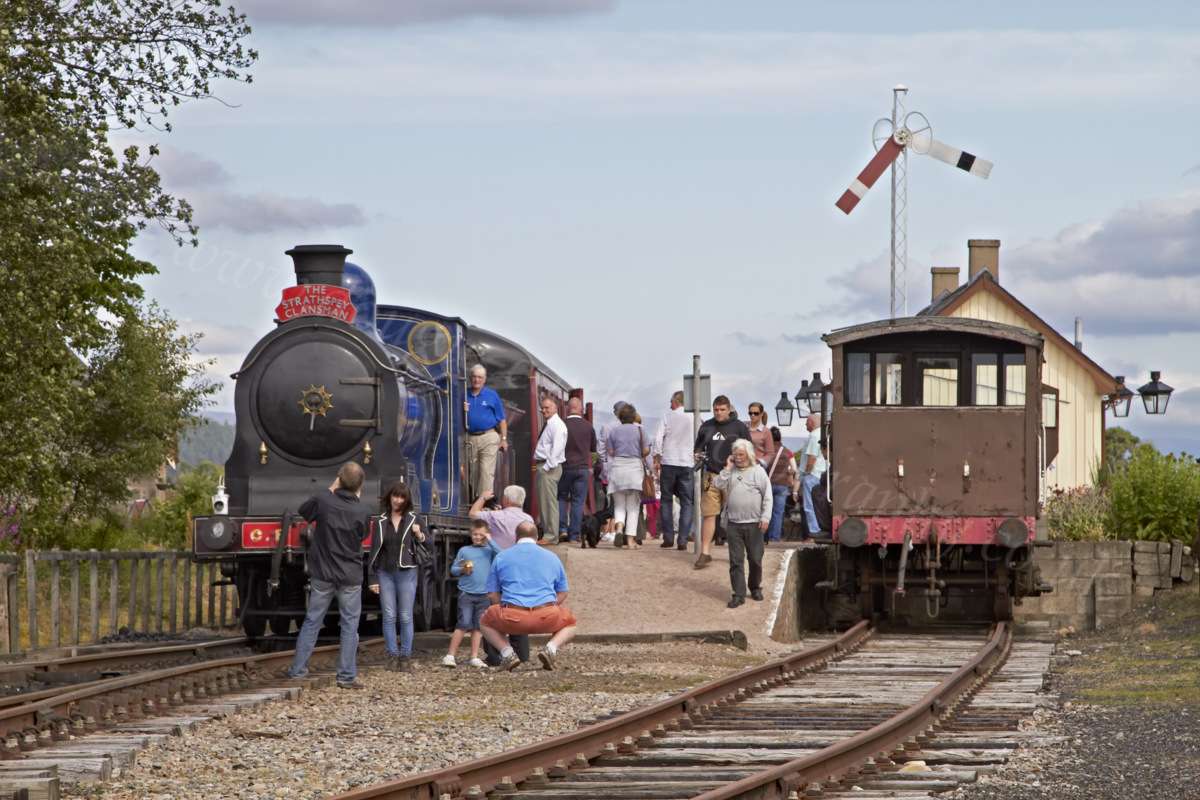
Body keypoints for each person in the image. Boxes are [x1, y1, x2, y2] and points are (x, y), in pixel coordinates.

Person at [288, 462, 369, 689]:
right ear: (360, 485)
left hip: (323, 573)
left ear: (339, 480)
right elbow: (363, 535)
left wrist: (330, 488)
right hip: (350, 576)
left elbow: (304, 510)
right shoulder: (363, 510)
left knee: (313, 620)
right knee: (350, 626)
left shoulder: (324, 501)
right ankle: (346, 676)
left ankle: (298, 670)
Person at [481, 521, 577, 671]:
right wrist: (550, 606)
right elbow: (563, 591)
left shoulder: (501, 557)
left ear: (516, 537)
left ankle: (507, 653)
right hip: (546, 615)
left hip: (512, 616)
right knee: (571, 624)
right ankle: (550, 649)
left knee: (484, 622)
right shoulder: (552, 557)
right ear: (537, 537)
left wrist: (504, 607)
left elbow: (492, 593)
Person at [468, 485, 533, 663]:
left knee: (494, 610)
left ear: (506, 500)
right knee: (518, 608)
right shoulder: (528, 518)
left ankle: (496, 654)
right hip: (520, 569)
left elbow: (473, 514)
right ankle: (522, 654)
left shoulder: (497, 516)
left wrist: (482, 497)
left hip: (498, 568)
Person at [366, 482, 426, 672]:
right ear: (389, 497)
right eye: (395, 496)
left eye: (401, 497)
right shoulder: (381, 520)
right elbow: (374, 551)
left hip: (407, 571)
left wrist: (419, 534)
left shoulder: (414, 519)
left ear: (407, 499)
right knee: (389, 615)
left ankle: (405, 657)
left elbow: (428, 544)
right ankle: (392, 655)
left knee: (406, 615)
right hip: (385, 572)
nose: (397, 500)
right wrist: (372, 578)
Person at [692, 395, 751, 570]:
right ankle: (705, 553)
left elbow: (749, 450)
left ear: (729, 409)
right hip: (711, 475)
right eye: (716, 409)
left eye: (722, 410)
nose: (718, 413)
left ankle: (739, 553)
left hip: (735, 475)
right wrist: (697, 455)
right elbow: (698, 448)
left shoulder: (739, 427)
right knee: (709, 514)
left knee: (737, 516)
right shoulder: (706, 427)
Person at [714, 439, 772, 608]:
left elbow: (768, 496)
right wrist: (727, 468)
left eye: (741, 454)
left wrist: (765, 517)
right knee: (736, 561)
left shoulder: (758, 472)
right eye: (736, 454)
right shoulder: (730, 471)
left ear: (749, 455)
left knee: (755, 559)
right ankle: (738, 594)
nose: (738, 458)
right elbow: (717, 484)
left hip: (755, 524)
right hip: (734, 523)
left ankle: (755, 587)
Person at [442, 520, 500, 668]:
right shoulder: (464, 550)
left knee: (478, 627)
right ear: (470, 534)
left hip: (484, 595)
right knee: (463, 623)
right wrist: (462, 570)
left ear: (487, 535)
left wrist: (491, 540)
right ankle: (450, 655)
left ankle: (474, 656)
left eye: (481, 535)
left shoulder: (489, 550)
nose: (478, 537)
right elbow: (453, 569)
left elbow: (502, 554)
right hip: (466, 593)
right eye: (475, 534)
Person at [653, 390, 694, 551]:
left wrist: (657, 457)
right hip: (687, 462)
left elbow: (657, 439)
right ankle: (683, 539)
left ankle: (668, 537)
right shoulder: (694, 418)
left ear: (676, 401)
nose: (670, 405)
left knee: (666, 500)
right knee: (686, 502)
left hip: (669, 461)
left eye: (671, 401)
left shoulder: (667, 417)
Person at [604, 403, 649, 548]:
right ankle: (630, 541)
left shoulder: (614, 431)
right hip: (634, 469)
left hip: (618, 468)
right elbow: (646, 450)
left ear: (620, 417)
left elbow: (610, 452)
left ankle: (618, 529)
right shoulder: (641, 431)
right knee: (633, 507)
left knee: (619, 505)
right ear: (633, 416)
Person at [464, 364, 508, 501]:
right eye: (474, 377)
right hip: (470, 437)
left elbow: (502, 419)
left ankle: (485, 501)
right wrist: (462, 409)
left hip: (489, 436)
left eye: (480, 377)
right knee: (472, 472)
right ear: (470, 378)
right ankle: (473, 499)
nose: (477, 380)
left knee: (486, 470)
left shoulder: (492, 395)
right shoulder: (464, 394)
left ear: (484, 379)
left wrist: (504, 438)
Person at [558, 397, 596, 544]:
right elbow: (593, 450)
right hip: (582, 469)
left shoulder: (561, 424)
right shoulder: (588, 426)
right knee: (578, 502)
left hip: (564, 467)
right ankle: (574, 535)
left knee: (561, 498)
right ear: (581, 408)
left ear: (568, 408)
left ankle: (562, 530)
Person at [532, 395, 567, 544]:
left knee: (549, 502)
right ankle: (548, 534)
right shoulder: (551, 423)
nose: (543, 410)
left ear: (555, 408)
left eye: (547, 407)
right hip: (545, 465)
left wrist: (545, 467)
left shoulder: (557, 425)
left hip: (549, 467)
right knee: (544, 501)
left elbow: (557, 449)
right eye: (542, 407)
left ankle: (551, 536)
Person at [765, 427, 798, 543]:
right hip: (782, 486)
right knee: (778, 513)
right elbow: (794, 469)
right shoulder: (787, 452)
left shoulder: (766, 451)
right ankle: (774, 538)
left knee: (765, 512)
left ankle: (764, 537)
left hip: (767, 485)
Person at [800, 413, 828, 536]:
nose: (806, 424)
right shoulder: (824, 433)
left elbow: (811, 458)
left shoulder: (813, 435)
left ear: (811, 422)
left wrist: (806, 472)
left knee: (809, 504)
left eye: (807, 422)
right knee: (820, 503)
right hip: (822, 474)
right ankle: (821, 528)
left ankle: (814, 530)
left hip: (813, 474)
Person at [747, 402, 776, 467]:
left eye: (756, 413)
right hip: (742, 466)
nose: (752, 415)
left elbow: (770, 453)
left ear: (762, 414)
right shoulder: (743, 427)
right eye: (750, 413)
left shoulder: (766, 431)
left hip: (757, 468)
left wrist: (759, 462)